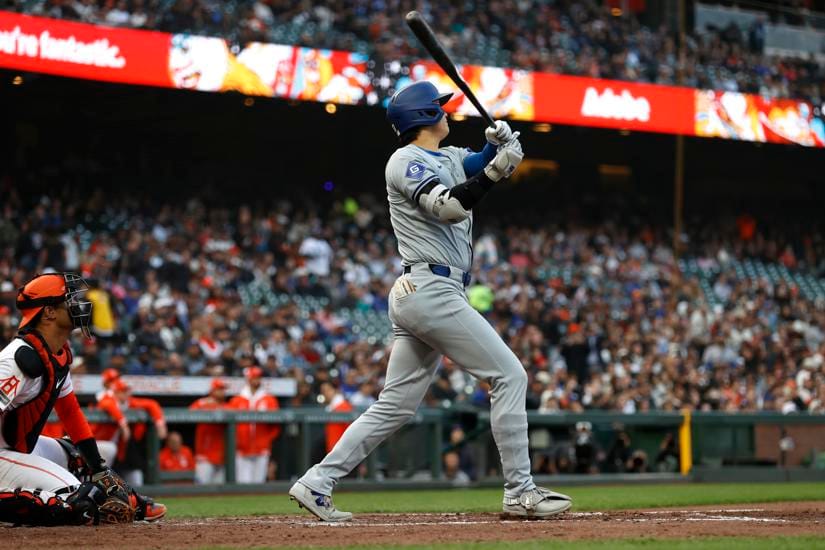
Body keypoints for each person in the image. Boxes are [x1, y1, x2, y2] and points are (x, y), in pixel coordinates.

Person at [289, 81, 571, 521]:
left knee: (396, 405)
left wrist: (499, 145)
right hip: (430, 289)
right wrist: (496, 171)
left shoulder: (450, 155)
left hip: (429, 291)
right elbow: (450, 206)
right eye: (439, 109)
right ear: (422, 117)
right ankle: (520, 490)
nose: (446, 113)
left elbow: (476, 166)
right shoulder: (404, 160)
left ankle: (316, 482)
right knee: (510, 377)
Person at [0, 272, 165, 525]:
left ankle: (125, 499)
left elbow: (71, 413)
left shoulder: (58, 353)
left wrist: (98, 468)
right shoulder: (17, 359)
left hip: (16, 447)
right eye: (69, 299)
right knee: (76, 503)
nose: (79, 305)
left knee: (80, 457)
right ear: (49, 313)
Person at [98, 379, 167, 486]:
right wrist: (123, 423)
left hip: (118, 448)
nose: (126, 393)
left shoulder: (129, 402)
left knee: (133, 478)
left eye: (126, 390)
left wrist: (159, 423)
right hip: (98, 442)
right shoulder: (107, 399)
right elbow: (107, 405)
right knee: (107, 452)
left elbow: (152, 404)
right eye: (122, 391)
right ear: (116, 392)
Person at [229, 366, 280, 483]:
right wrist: (237, 441)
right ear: (248, 379)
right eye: (254, 377)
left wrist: (267, 440)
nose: (256, 380)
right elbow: (230, 427)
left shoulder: (269, 399)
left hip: (262, 448)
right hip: (242, 449)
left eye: (258, 377)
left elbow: (275, 426)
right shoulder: (237, 400)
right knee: (243, 483)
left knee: (259, 483)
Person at [189, 377, 229, 484]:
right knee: (201, 489)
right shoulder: (201, 403)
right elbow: (189, 414)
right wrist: (210, 406)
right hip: (205, 455)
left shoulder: (227, 406)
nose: (223, 392)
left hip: (222, 456)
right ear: (212, 390)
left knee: (219, 492)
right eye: (219, 389)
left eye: (223, 389)